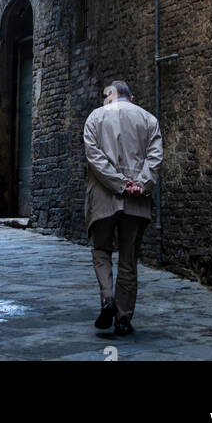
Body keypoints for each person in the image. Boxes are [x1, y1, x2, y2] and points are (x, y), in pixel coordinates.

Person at [83, 79, 163, 335]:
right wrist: (140, 183)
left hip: (104, 198)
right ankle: (124, 318)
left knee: (101, 251)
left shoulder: (94, 118)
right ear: (132, 96)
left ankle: (107, 299)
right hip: (136, 202)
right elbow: (155, 156)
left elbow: (94, 157)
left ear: (109, 96)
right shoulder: (148, 119)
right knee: (129, 259)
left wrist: (119, 183)